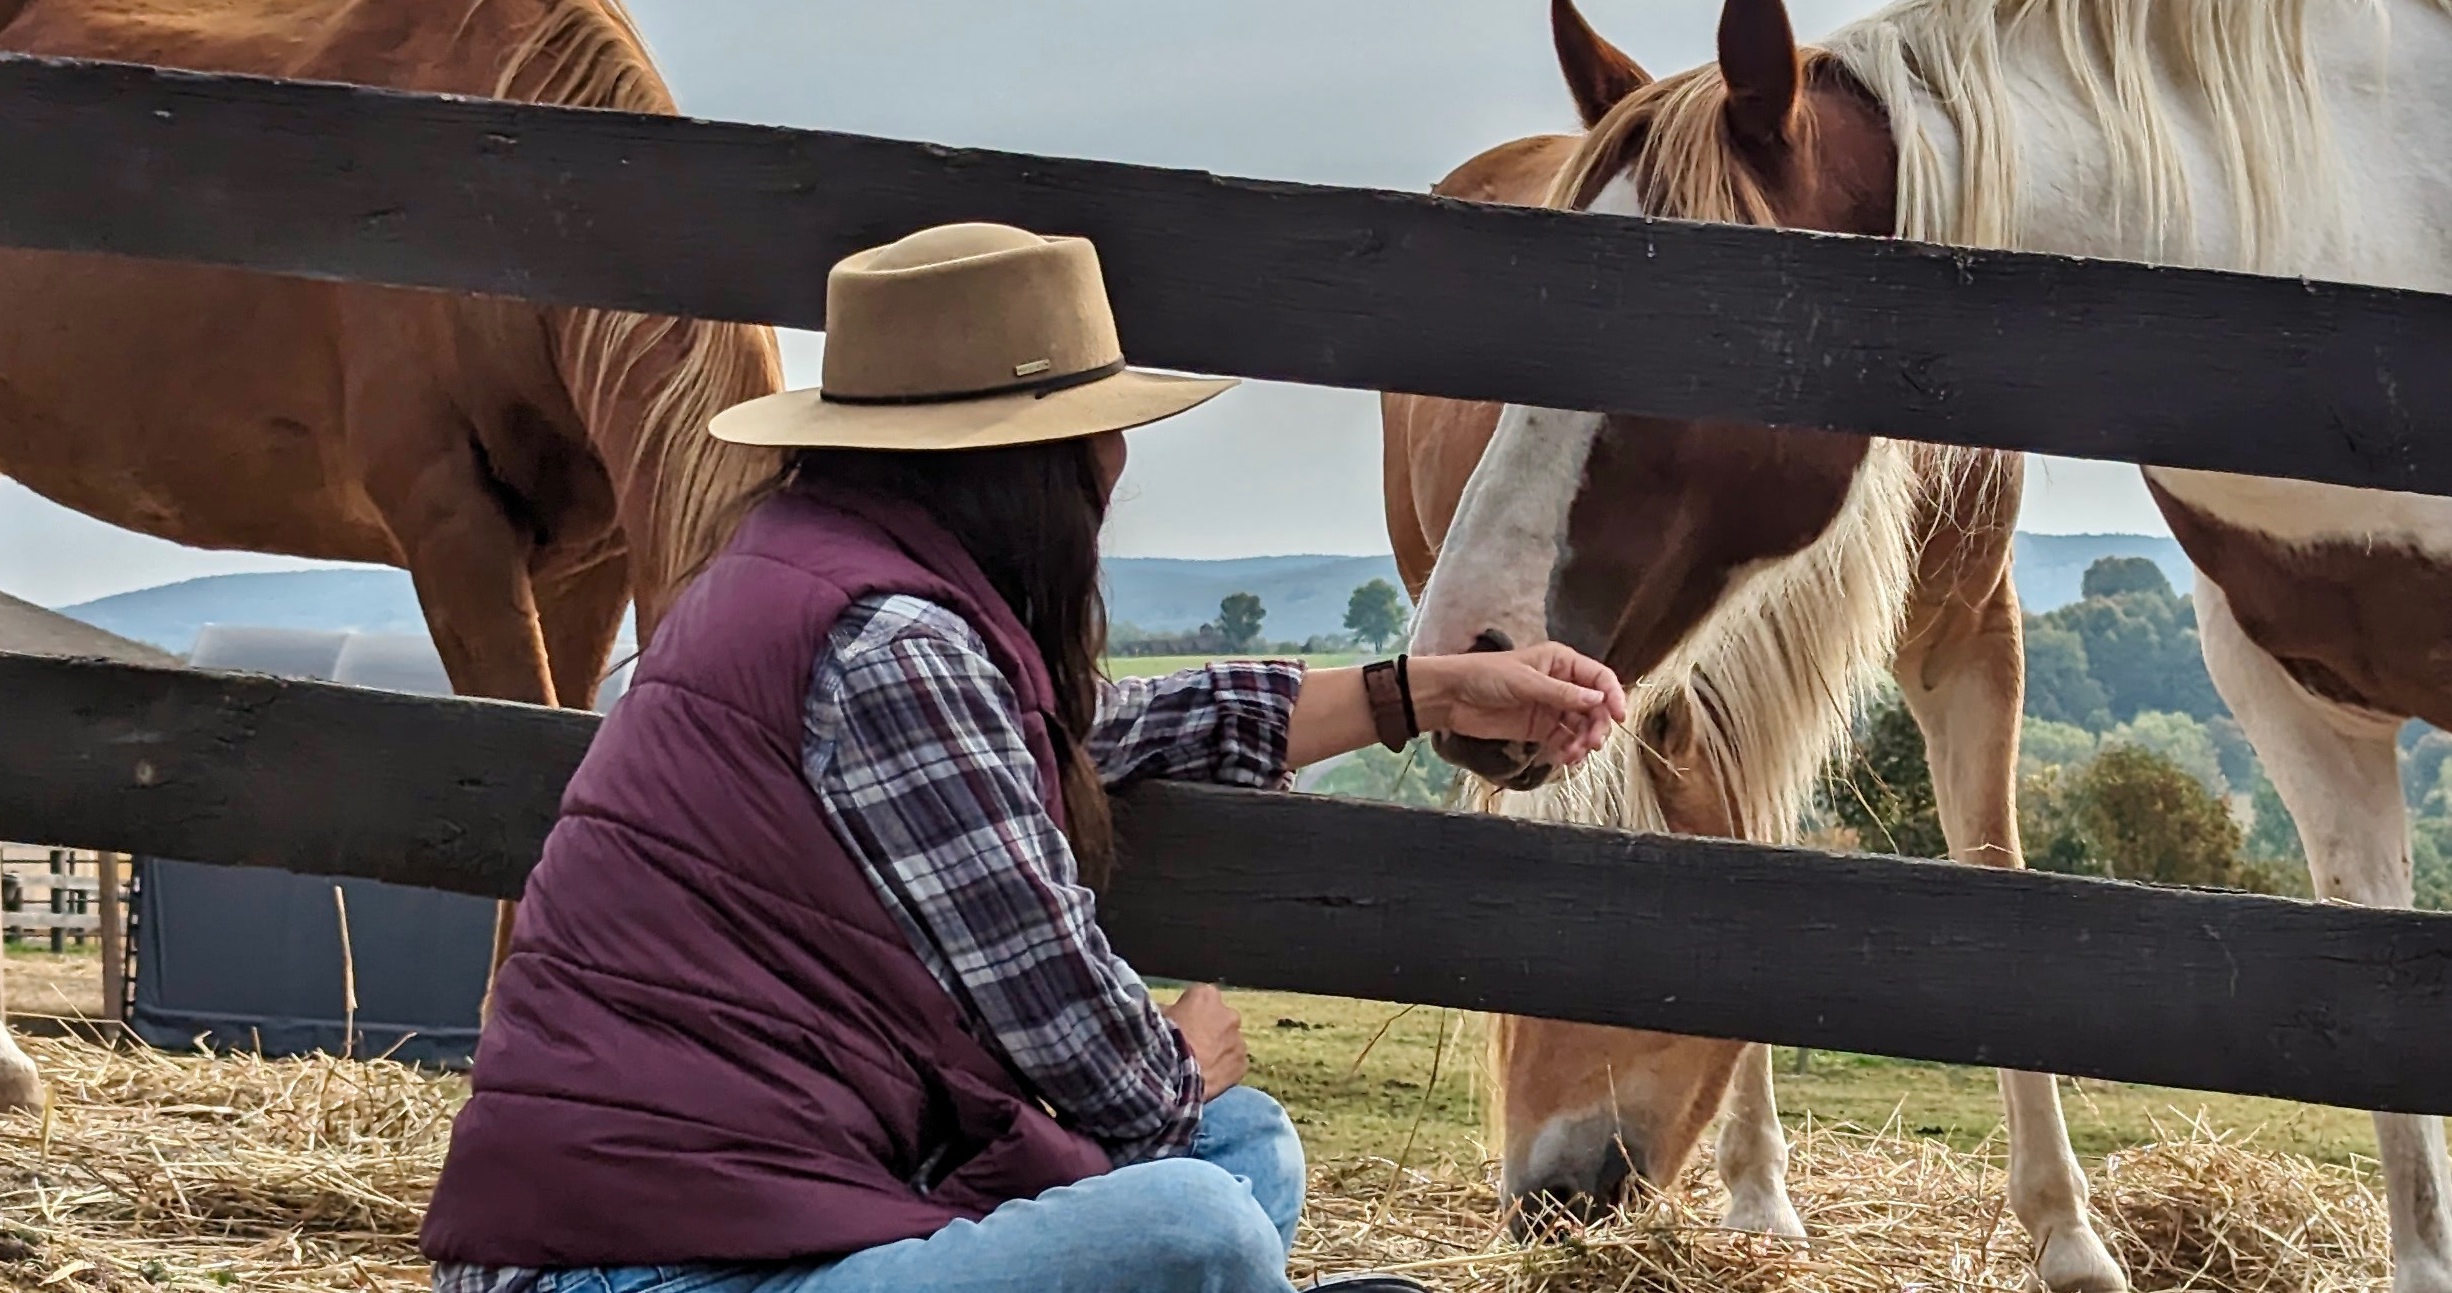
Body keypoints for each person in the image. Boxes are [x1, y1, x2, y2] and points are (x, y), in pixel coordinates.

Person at [419, 222, 1631, 1293]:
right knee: (1195, 1217)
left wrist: (1417, 692)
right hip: (651, 1270)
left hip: (780, 1205)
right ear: (1027, 466)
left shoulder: (821, 577)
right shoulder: (891, 646)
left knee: (1242, 1145)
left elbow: (1080, 741)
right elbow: (1088, 1049)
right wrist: (1181, 1067)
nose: (1114, 474)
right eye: (1095, 437)